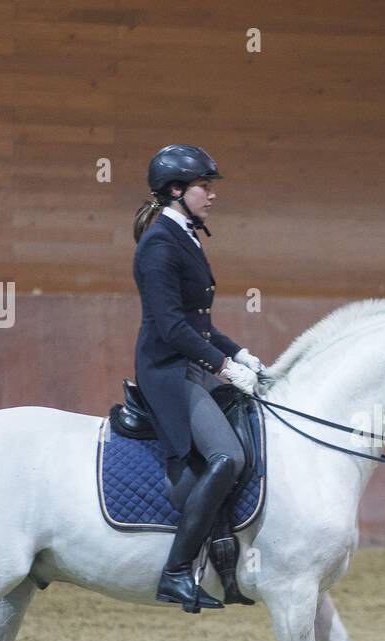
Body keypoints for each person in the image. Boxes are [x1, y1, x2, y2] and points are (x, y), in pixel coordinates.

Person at [132, 144, 268, 611]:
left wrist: (241, 354)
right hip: (167, 370)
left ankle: (228, 558)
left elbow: (198, 324)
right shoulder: (159, 245)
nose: (211, 195)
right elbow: (171, 327)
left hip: (191, 360)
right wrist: (225, 368)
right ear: (176, 190)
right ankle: (175, 572)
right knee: (227, 456)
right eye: (204, 187)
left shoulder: (186, 236)